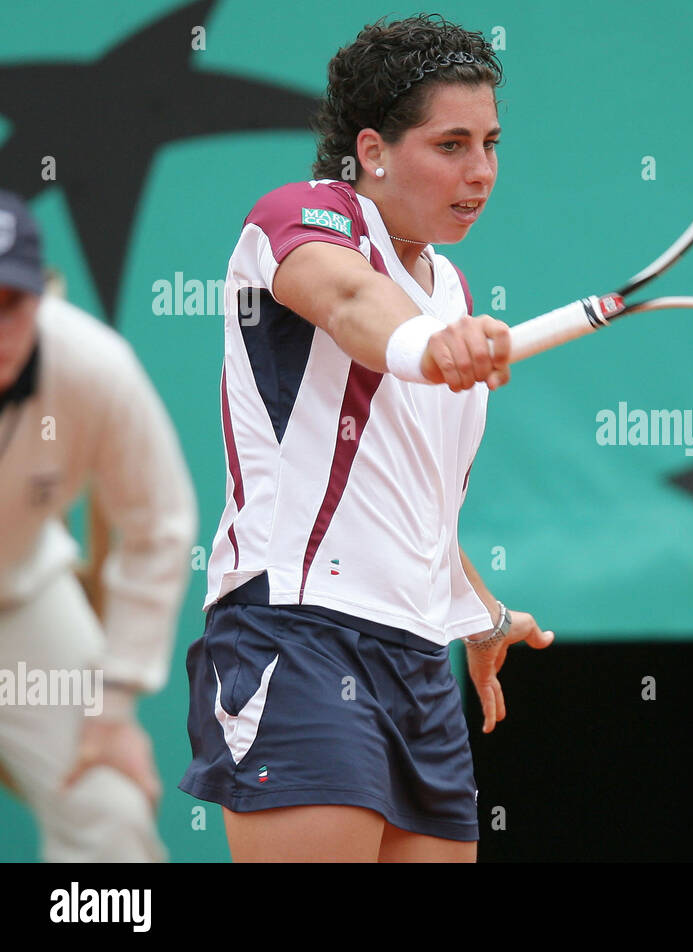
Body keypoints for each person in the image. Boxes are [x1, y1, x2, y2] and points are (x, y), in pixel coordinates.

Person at [179, 14, 554, 863]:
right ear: (374, 149)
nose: (481, 171)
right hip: (298, 636)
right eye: (451, 144)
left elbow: (408, 497)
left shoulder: (450, 285)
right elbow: (350, 302)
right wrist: (424, 344)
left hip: (420, 665)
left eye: (491, 142)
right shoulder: (302, 216)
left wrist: (480, 614)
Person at [0, 189, 198, 861]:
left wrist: (111, 707)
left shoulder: (93, 367)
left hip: (19, 603)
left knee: (109, 809)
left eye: (11, 303)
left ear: (42, 294)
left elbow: (160, 527)